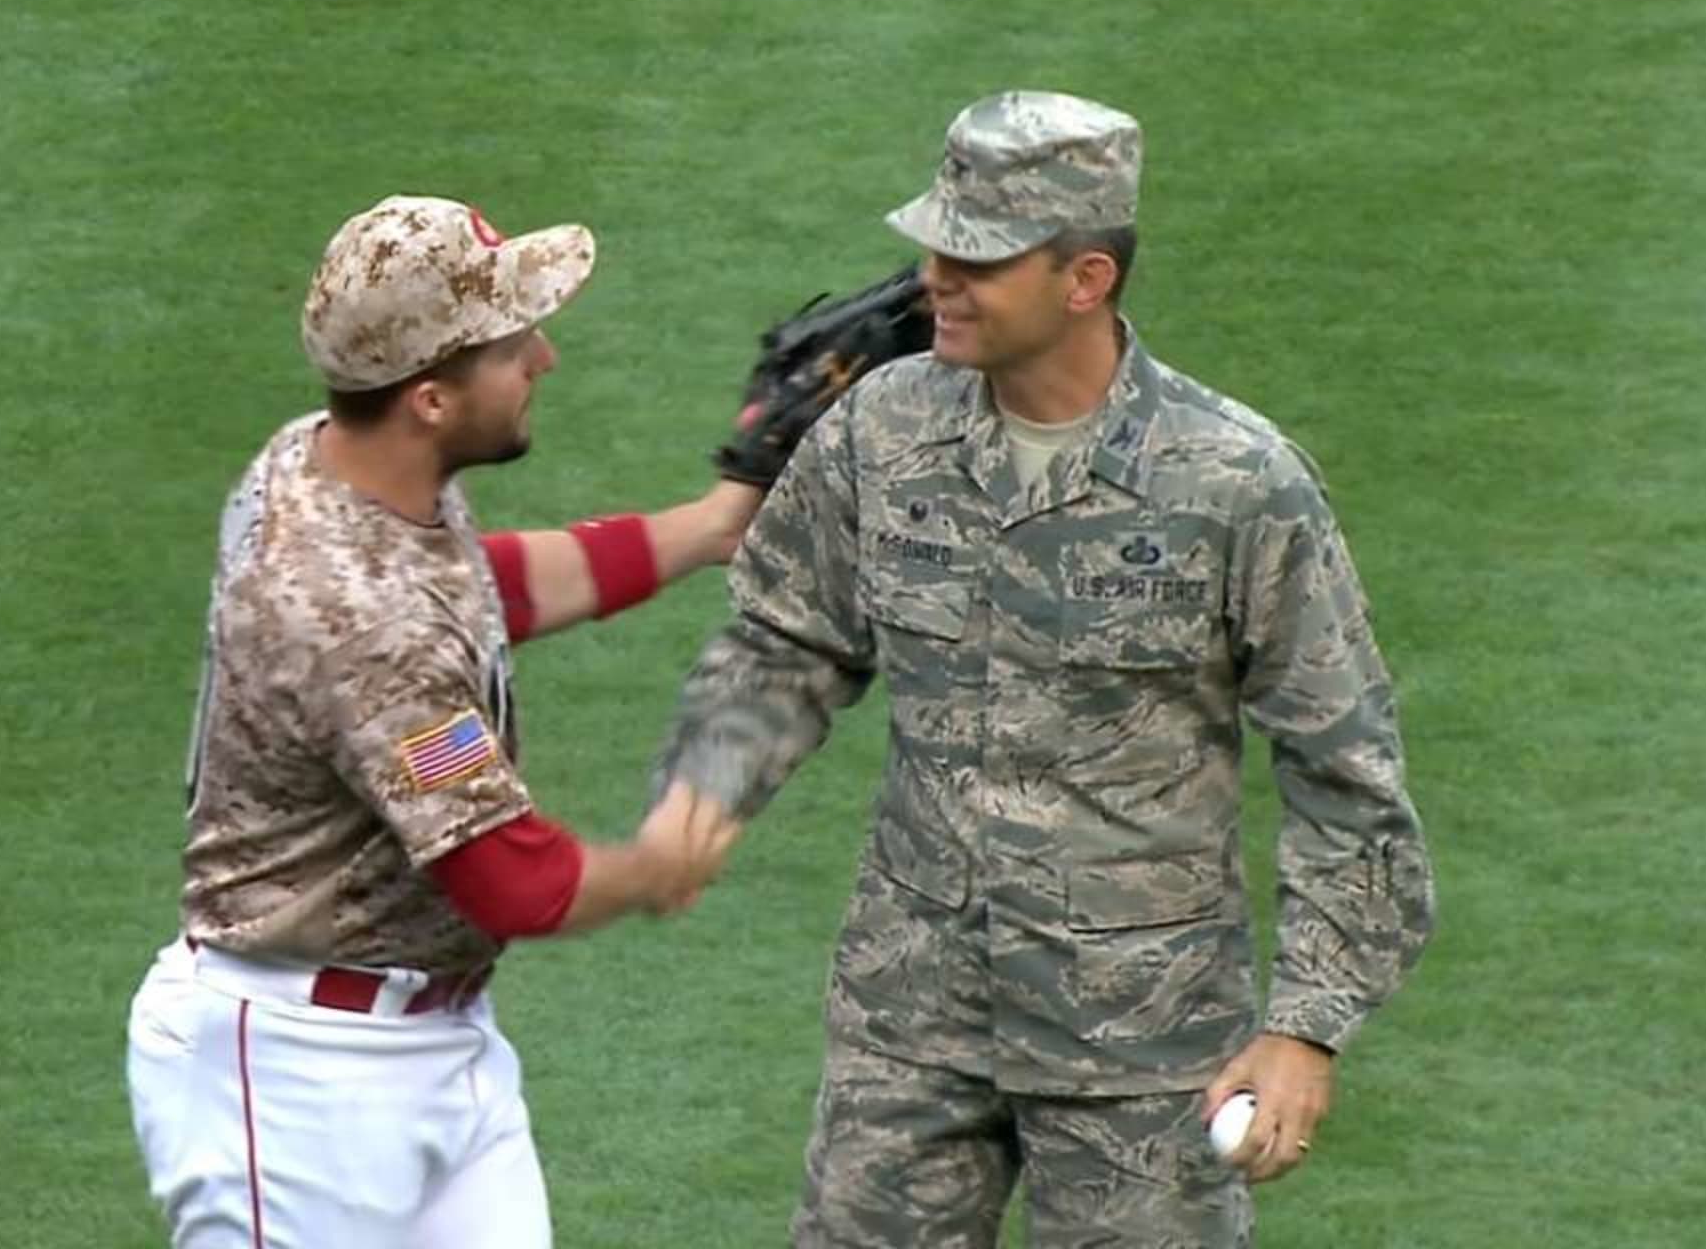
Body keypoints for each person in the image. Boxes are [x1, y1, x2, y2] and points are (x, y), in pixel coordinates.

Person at [650, 91, 1437, 1247]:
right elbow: (788, 637)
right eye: (935, 245)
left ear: (1085, 280)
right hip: (908, 1026)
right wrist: (711, 782)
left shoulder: (1235, 484)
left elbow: (1344, 771)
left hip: (1144, 1057)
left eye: (978, 257)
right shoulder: (880, 430)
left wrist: (1307, 1025)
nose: (935, 278)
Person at [126, 194, 757, 1248]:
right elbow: (511, 879)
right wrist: (656, 866)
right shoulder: (361, 618)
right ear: (427, 398)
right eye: (515, 346)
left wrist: (706, 527)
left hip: (436, 1046)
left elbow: (477, 589)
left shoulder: (321, 458)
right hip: (295, 1081)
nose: (544, 359)